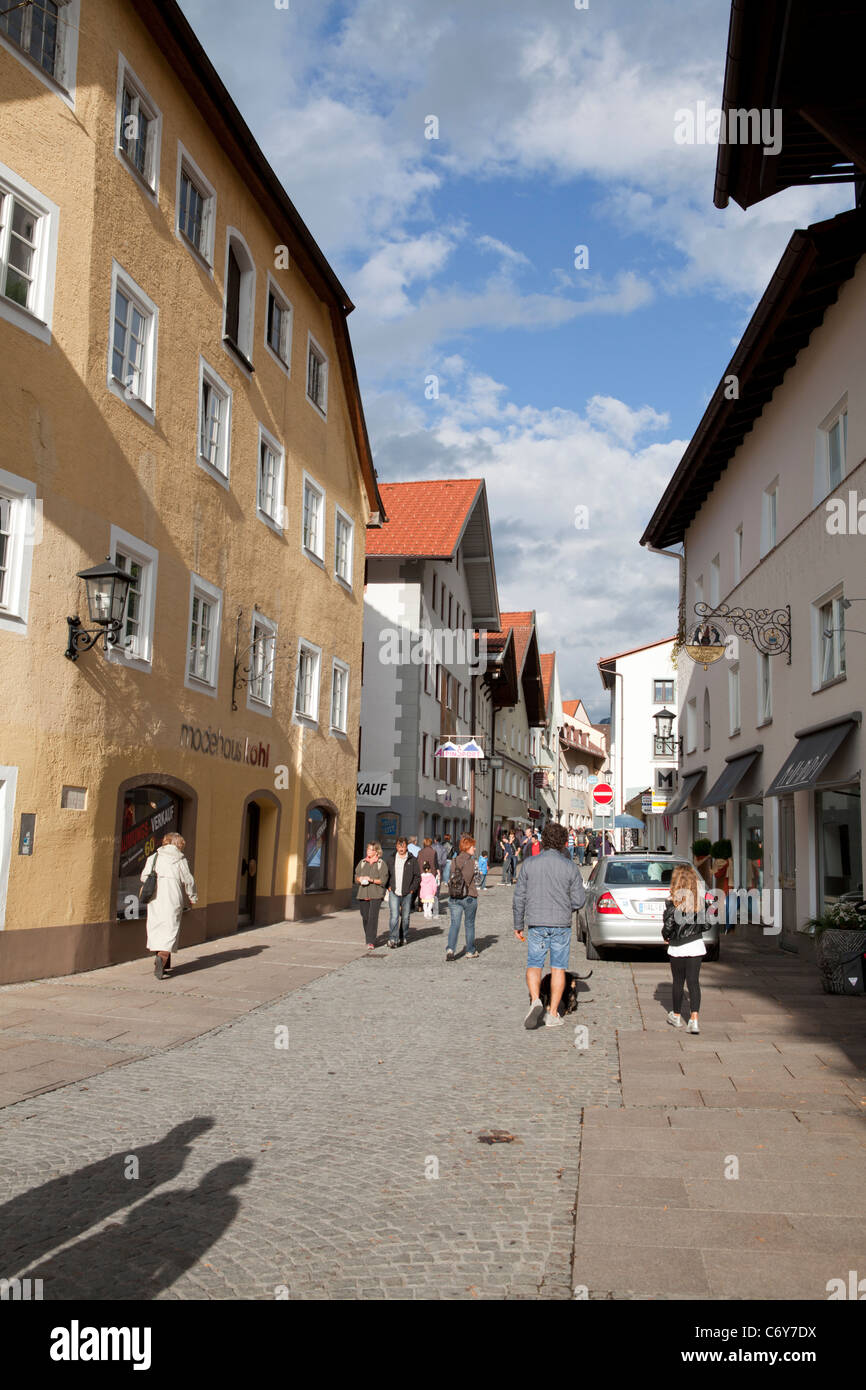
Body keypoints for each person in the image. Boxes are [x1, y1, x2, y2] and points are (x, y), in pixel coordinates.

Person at [513, 822, 585, 1029]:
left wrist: (518, 924)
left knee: (534, 963)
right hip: (561, 923)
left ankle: (536, 999)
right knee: (558, 967)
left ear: (543, 840)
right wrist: (565, 907)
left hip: (536, 922)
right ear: (563, 843)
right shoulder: (570, 867)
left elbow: (519, 898)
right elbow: (579, 900)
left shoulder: (529, 864)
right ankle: (552, 1012)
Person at [141, 832, 198, 979]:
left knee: (157, 927)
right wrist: (192, 896)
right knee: (170, 928)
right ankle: (162, 957)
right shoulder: (180, 858)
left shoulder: (154, 857)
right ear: (178, 844)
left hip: (155, 897)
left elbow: (144, 877)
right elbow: (188, 880)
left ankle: (163, 962)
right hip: (172, 897)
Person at [662, 863, 706, 1034]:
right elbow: (707, 924)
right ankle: (694, 1020)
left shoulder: (672, 901)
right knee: (694, 982)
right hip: (696, 945)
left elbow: (668, 925)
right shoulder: (699, 901)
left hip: (677, 946)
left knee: (678, 981)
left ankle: (677, 1016)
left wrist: (665, 936)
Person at [445, 834, 480, 960]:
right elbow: (478, 880)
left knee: (454, 924)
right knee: (469, 924)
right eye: (473, 846)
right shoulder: (472, 862)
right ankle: (470, 951)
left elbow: (450, 878)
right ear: (467, 847)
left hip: (455, 896)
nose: (474, 849)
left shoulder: (454, 861)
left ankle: (450, 949)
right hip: (469, 896)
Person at [385, 837, 420, 947]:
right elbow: (386, 874)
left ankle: (403, 936)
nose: (401, 848)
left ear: (406, 847)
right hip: (394, 891)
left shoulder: (412, 860)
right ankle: (393, 939)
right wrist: (388, 886)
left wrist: (412, 889)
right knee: (394, 916)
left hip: (407, 893)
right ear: (396, 847)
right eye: (399, 846)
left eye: (403, 846)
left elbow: (417, 877)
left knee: (405, 917)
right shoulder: (391, 859)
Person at [354, 842, 389, 952]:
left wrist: (371, 880)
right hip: (363, 893)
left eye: (370, 849)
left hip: (376, 894)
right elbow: (356, 876)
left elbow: (383, 881)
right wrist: (360, 879)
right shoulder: (362, 862)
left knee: (372, 918)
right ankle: (369, 936)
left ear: (376, 851)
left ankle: (370, 941)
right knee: (365, 917)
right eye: (368, 849)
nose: (368, 851)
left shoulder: (381, 863)